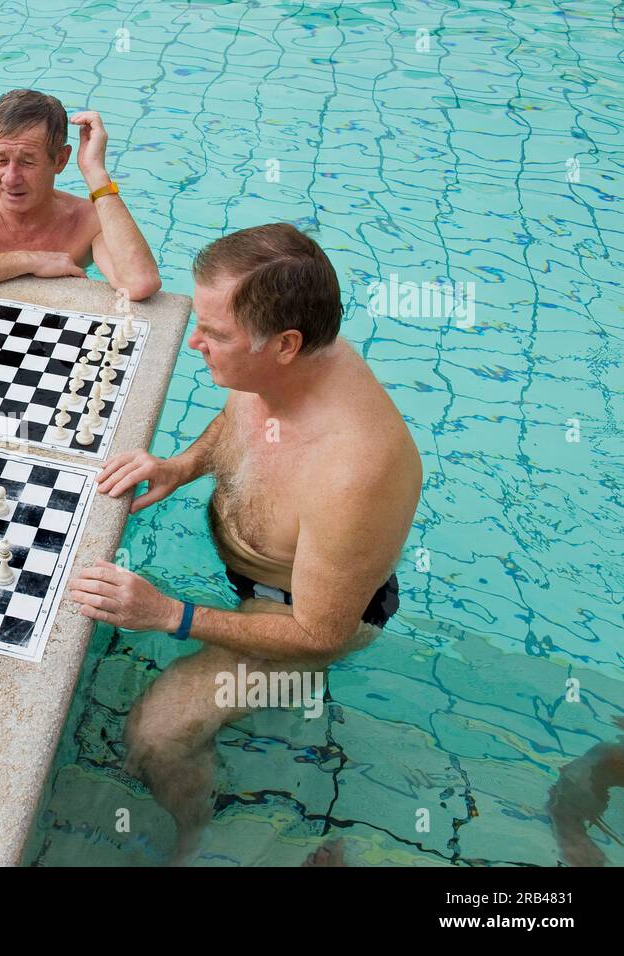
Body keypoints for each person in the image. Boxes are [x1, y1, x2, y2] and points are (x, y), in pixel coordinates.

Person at [67, 223, 423, 861]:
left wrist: (171, 617)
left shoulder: (354, 468)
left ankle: (203, 842)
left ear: (285, 345)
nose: (194, 341)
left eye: (216, 335)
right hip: (257, 578)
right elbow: (240, 416)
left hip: (299, 611)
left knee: (153, 735)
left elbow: (323, 634)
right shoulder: (282, 365)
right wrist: (180, 466)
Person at [0, 89, 161, 302]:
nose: (10, 177)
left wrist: (95, 172)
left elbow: (139, 282)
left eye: (27, 162)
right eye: (0, 160)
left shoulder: (86, 221)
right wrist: (31, 261)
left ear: (60, 160)